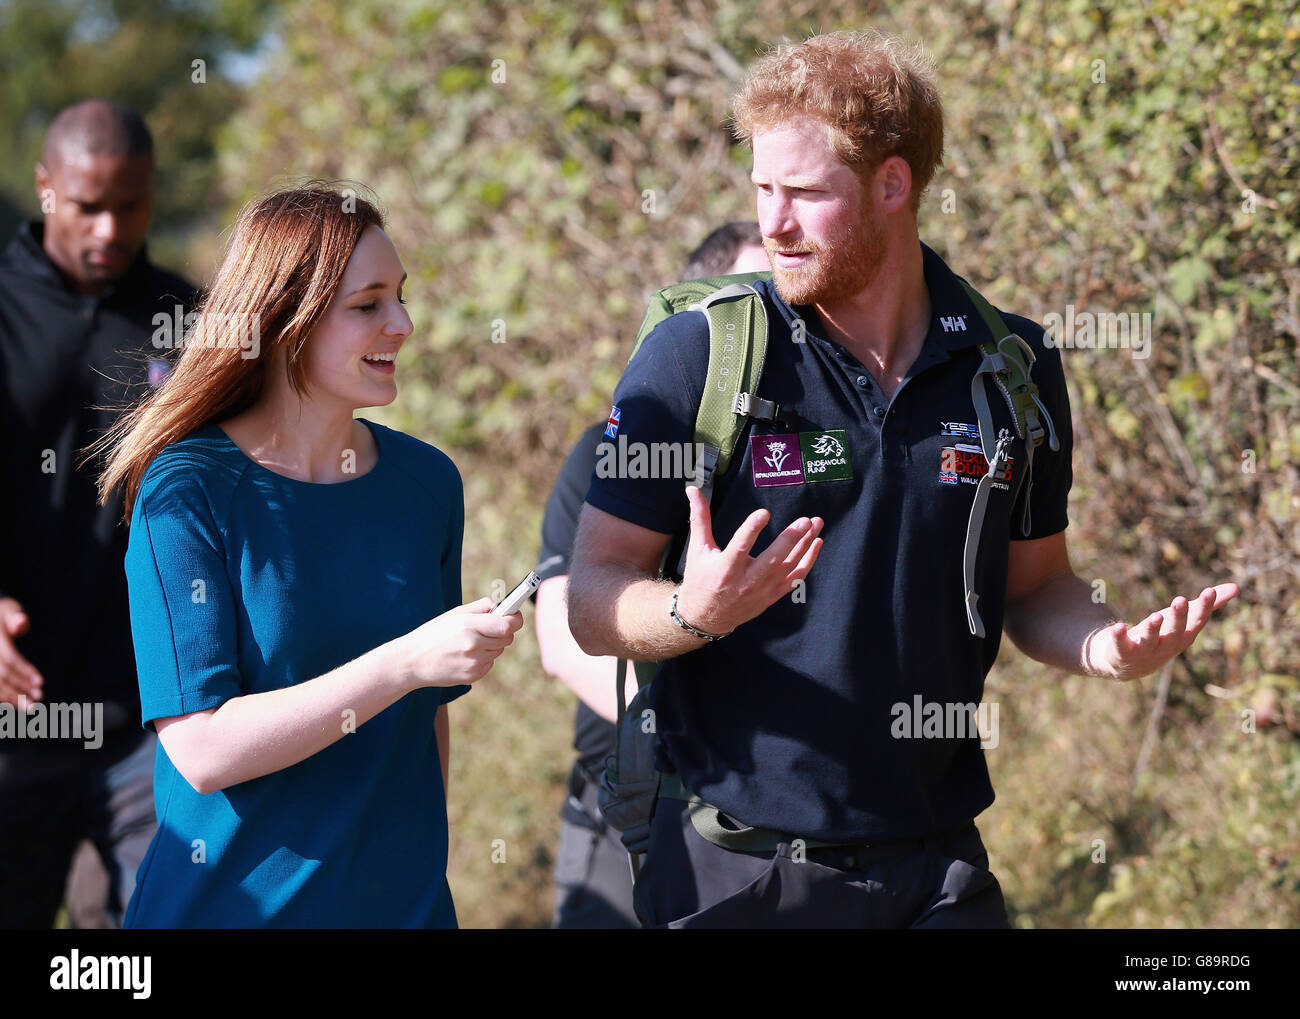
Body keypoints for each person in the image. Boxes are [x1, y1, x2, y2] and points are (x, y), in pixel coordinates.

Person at [567, 30, 1238, 929]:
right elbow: (590, 596)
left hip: (940, 865)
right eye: (762, 189)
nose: (773, 223)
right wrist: (696, 610)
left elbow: (1035, 589)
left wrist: (1105, 646)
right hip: (737, 866)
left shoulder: (1012, 365)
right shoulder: (700, 355)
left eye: (805, 193)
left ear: (894, 184)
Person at [93, 183, 523, 928]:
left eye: (401, 297)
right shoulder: (186, 490)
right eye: (369, 304)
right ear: (283, 320)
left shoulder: (427, 482)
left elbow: (424, 723)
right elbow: (201, 747)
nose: (405, 324)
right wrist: (404, 663)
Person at [536, 223, 768, 929]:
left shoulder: (812, 452)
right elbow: (562, 636)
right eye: (753, 301)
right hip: (629, 800)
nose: (772, 325)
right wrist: (694, 730)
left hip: (768, 820)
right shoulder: (617, 448)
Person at [0, 99, 196, 928]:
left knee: (128, 953)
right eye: (87, 204)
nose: (111, 227)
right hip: (13, 723)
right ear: (45, 189)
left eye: (132, 202)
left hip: (145, 725)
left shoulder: (189, 322)